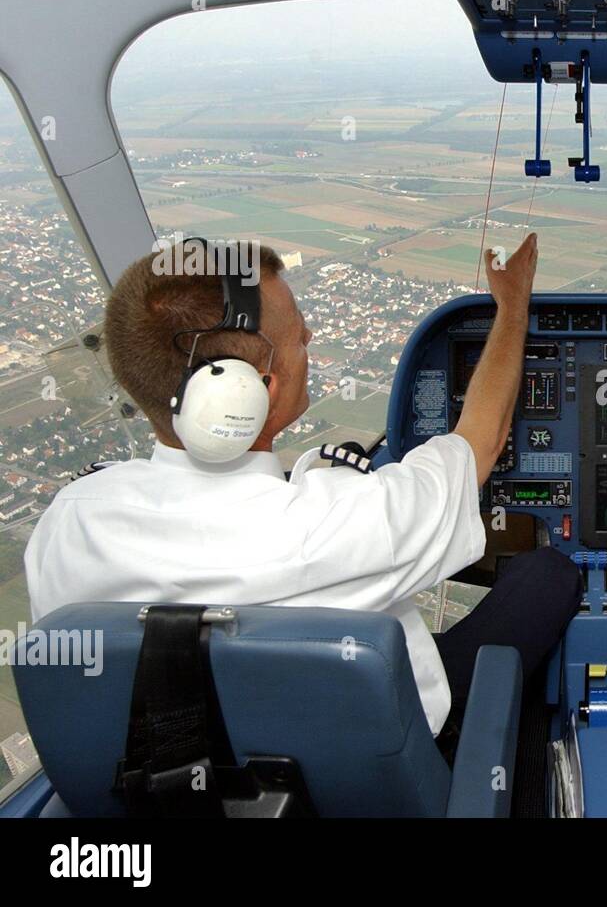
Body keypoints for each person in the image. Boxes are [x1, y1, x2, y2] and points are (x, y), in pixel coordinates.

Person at [24, 232, 579, 741]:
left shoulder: (67, 522)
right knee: (549, 574)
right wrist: (511, 309)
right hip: (388, 766)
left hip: (172, 777)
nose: (310, 337)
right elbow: (479, 441)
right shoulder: (346, 523)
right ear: (245, 391)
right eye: (296, 336)